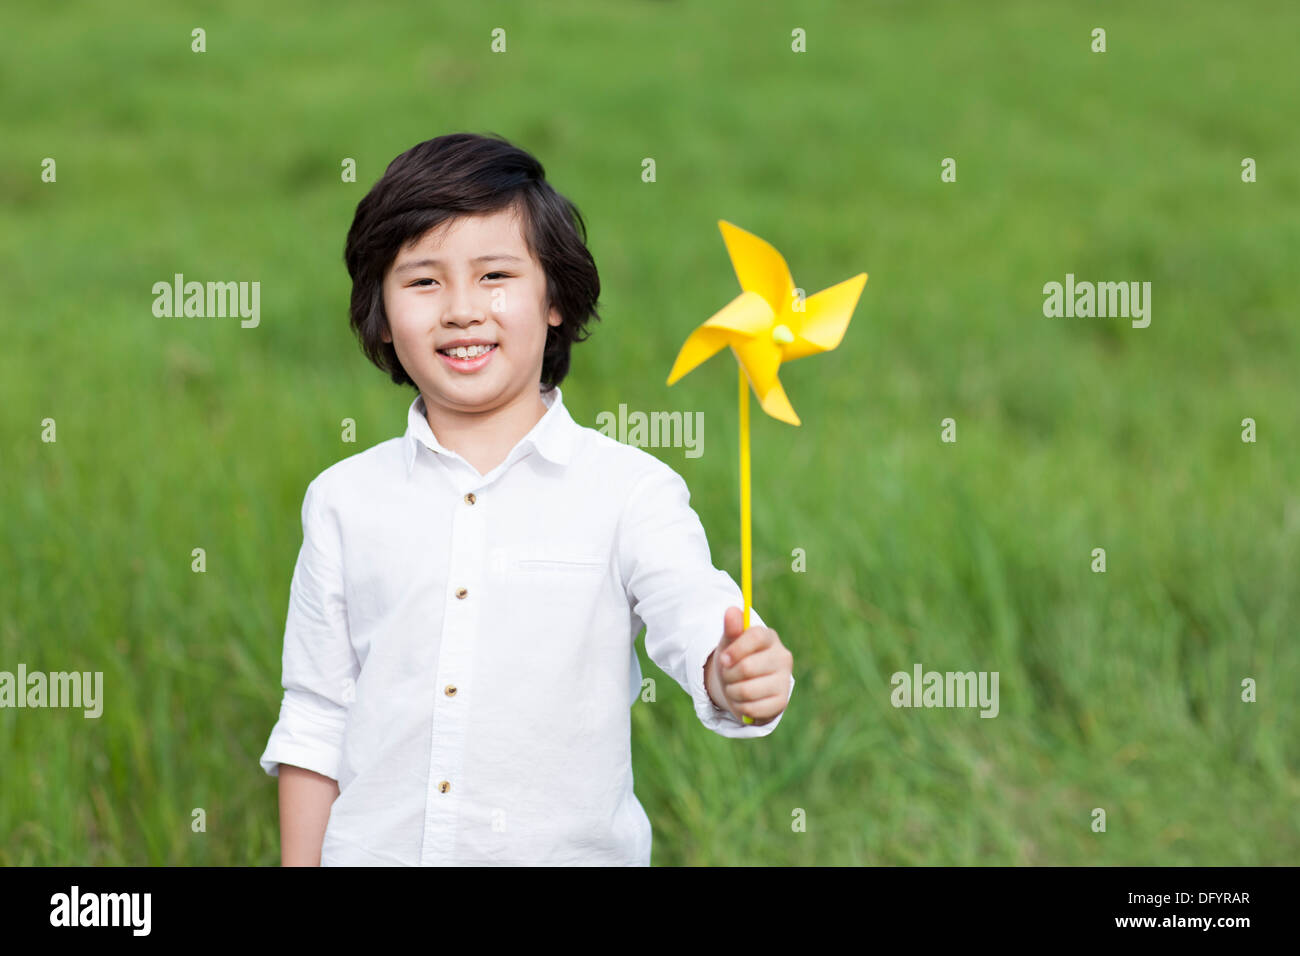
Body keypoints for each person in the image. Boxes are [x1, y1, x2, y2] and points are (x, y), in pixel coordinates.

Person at [259, 132, 795, 865]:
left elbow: (695, 614)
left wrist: (733, 672)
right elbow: (318, 714)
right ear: (381, 313)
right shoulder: (344, 502)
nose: (460, 310)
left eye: (496, 275)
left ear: (555, 300)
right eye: (422, 282)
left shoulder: (629, 492)